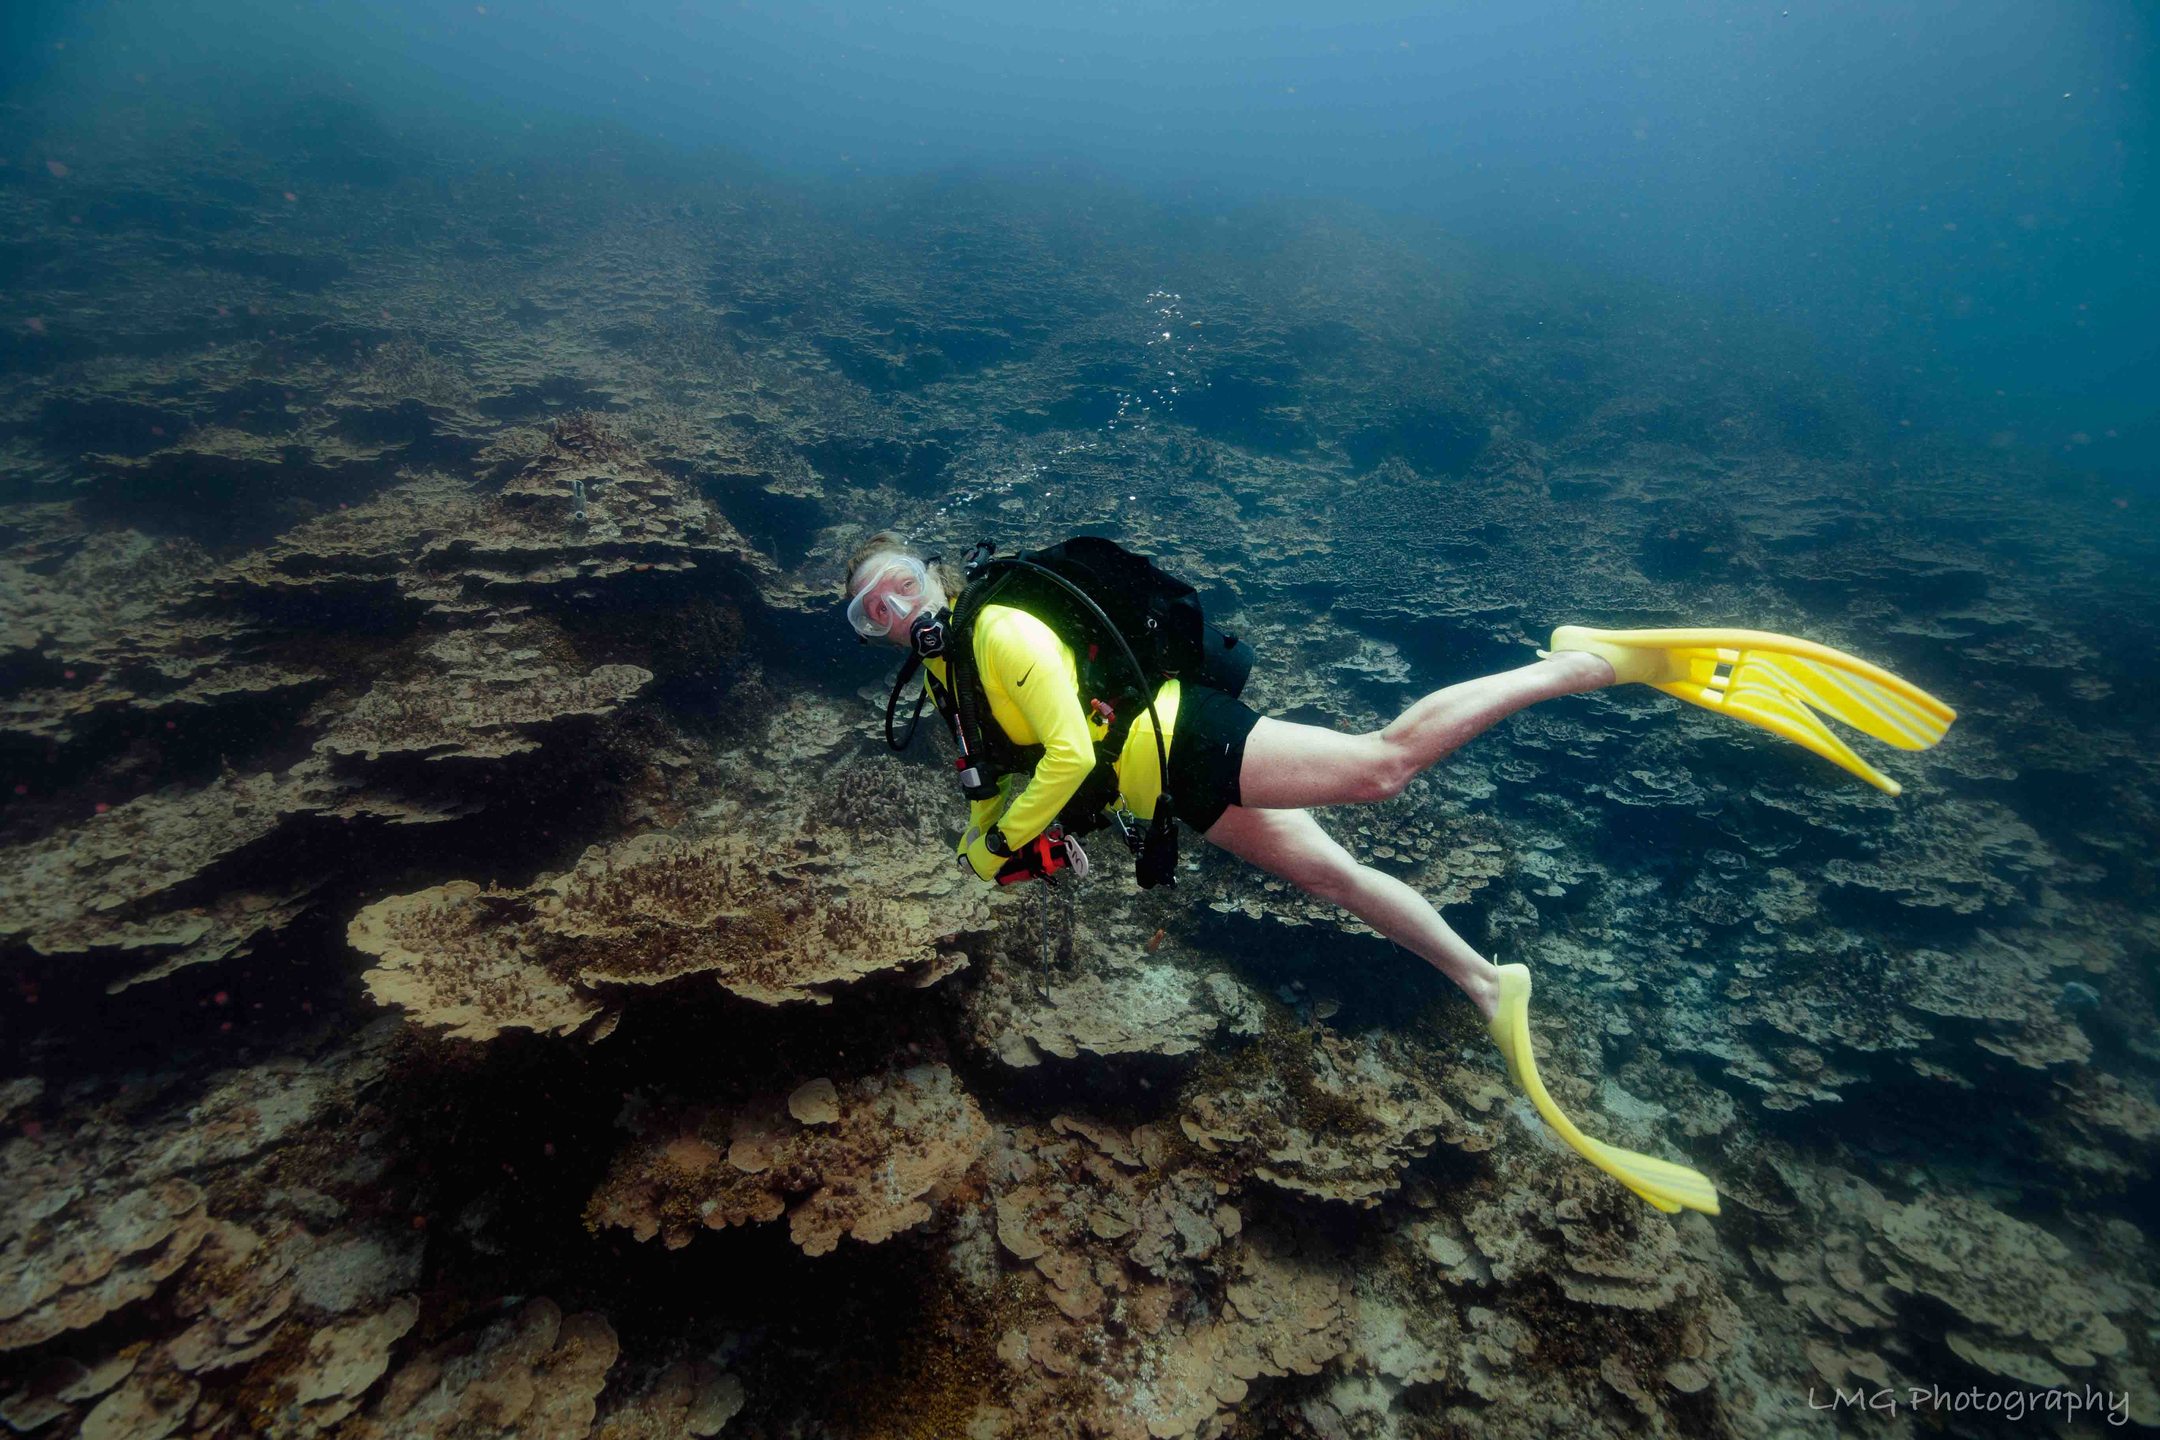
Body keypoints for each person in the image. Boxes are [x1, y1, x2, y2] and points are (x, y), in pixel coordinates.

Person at [843, 530, 1955, 1216]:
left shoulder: (992, 628)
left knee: (1383, 768)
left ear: (927, 570)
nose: (893, 608)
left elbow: (1075, 754)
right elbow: (1013, 782)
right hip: (1172, 792)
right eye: (869, 610)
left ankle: (1588, 661)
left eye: (896, 582)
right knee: (1342, 884)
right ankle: (1484, 980)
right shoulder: (946, 684)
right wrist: (987, 843)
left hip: (1182, 742)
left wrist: (993, 846)